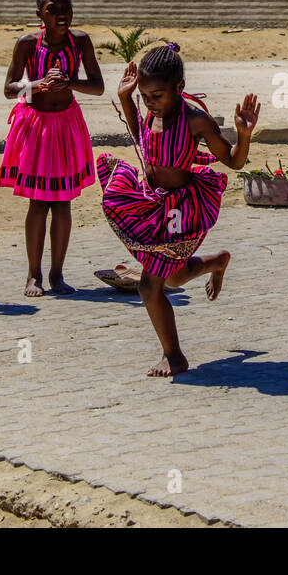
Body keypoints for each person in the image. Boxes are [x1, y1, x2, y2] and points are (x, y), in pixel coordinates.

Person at [100, 43, 259, 377]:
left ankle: (174, 357)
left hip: (182, 214)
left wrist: (243, 135)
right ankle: (217, 262)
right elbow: (139, 138)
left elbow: (234, 160)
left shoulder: (194, 120)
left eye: (156, 95)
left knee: (149, 285)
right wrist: (127, 98)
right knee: (171, 277)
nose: (150, 103)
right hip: (152, 204)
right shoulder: (151, 113)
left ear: (178, 88)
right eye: (145, 96)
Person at [0, 0, 104, 296]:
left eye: (65, 8)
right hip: (36, 126)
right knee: (38, 201)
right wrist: (40, 85)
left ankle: (57, 274)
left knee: (63, 201)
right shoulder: (28, 43)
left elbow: (97, 86)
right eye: (52, 9)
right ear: (39, 14)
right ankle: (34, 275)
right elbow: (9, 88)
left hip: (67, 124)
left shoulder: (80, 42)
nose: (61, 15)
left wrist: (70, 83)